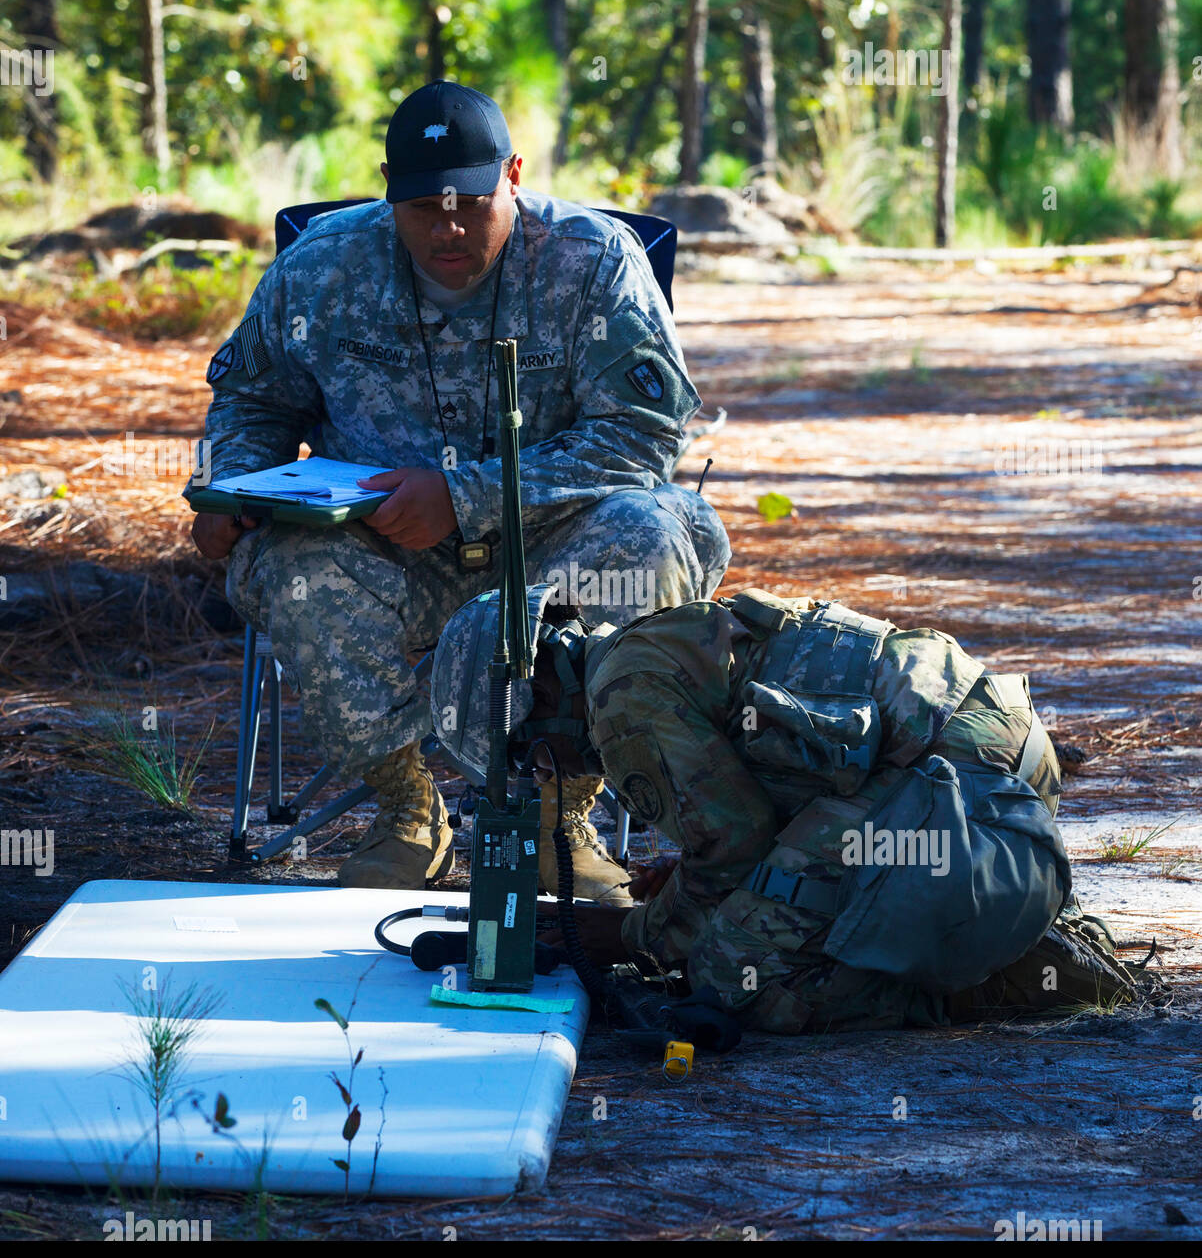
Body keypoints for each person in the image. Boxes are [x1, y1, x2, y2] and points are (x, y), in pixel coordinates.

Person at [185, 80, 729, 897]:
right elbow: (253, 400)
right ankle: (409, 811)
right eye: (421, 207)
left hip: (554, 552)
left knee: (652, 535)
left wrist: (462, 495)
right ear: (387, 189)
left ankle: (559, 815)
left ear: (512, 173)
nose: (446, 227)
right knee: (293, 562)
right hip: (387, 552)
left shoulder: (594, 260)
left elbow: (644, 437)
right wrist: (233, 488)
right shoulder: (324, 264)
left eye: (469, 203)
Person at [429, 584, 1153, 1033]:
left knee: (733, 976)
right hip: (998, 759)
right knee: (748, 914)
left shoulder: (622, 701)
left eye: (527, 753)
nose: (545, 772)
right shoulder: (644, 649)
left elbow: (736, 847)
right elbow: (765, 797)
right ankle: (982, 924)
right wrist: (692, 882)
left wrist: (633, 934)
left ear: (540, 702)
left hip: (951, 786)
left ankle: (1006, 978)